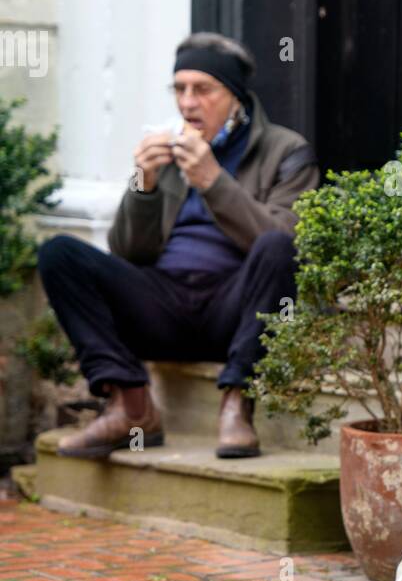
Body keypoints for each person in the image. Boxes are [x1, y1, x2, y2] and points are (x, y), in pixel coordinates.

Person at [38, 32, 319, 460]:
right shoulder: (169, 150)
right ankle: (131, 404)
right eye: (180, 89)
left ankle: (237, 405)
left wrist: (212, 181)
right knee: (60, 253)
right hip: (163, 305)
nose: (187, 103)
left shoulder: (286, 150)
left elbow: (284, 240)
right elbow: (129, 253)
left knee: (279, 247)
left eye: (203, 89)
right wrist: (143, 185)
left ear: (236, 97)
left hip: (235, 310)